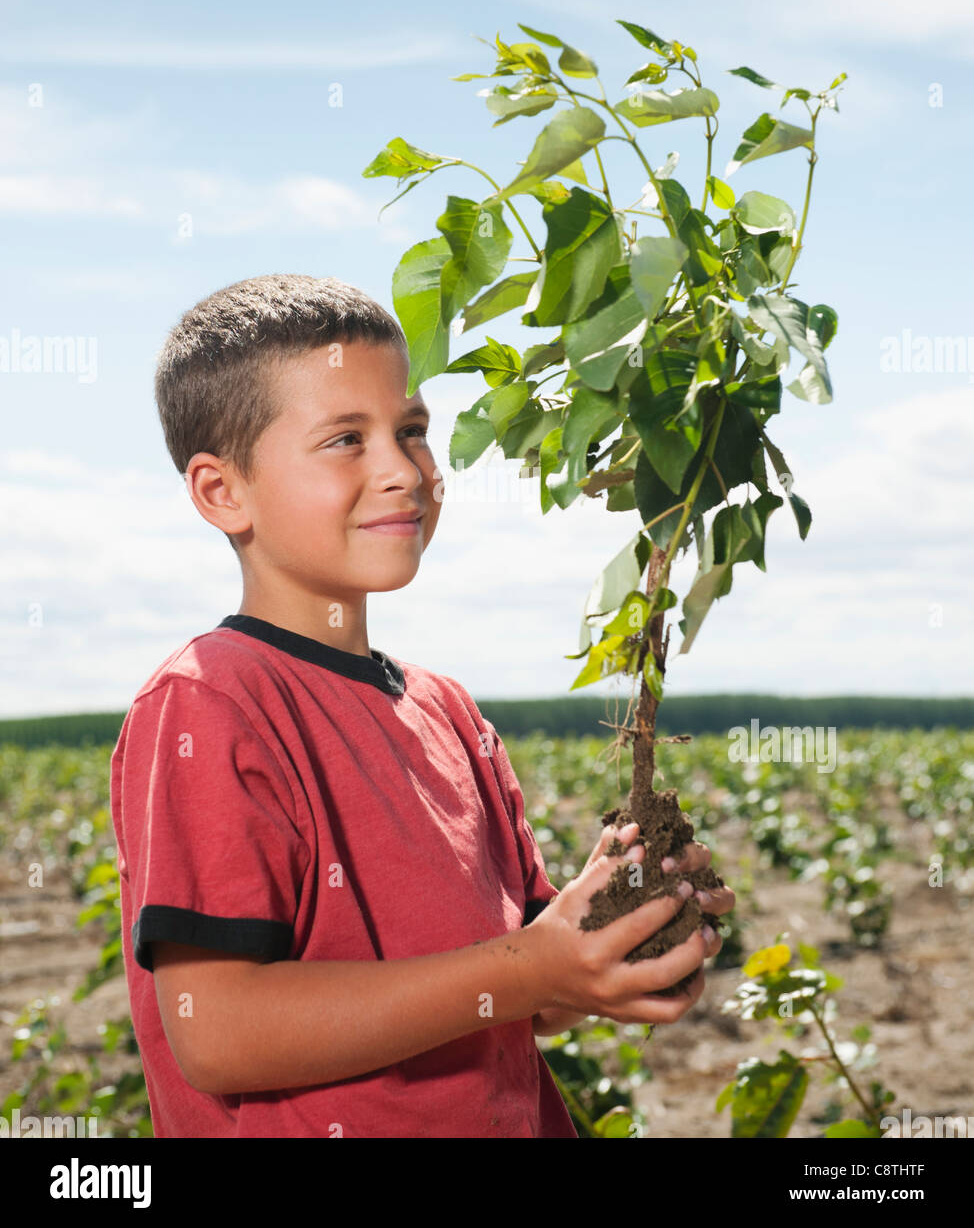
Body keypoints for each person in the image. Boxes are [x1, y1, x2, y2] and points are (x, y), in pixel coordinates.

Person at [110, 273, 735, 1138]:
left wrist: (609, 933)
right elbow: (219, 1032)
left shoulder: (448, 711)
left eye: (411, 433)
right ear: (224, 492)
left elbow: (527, 998)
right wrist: (531, 967)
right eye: (345, 441)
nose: (403, 471)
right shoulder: (212, 701)